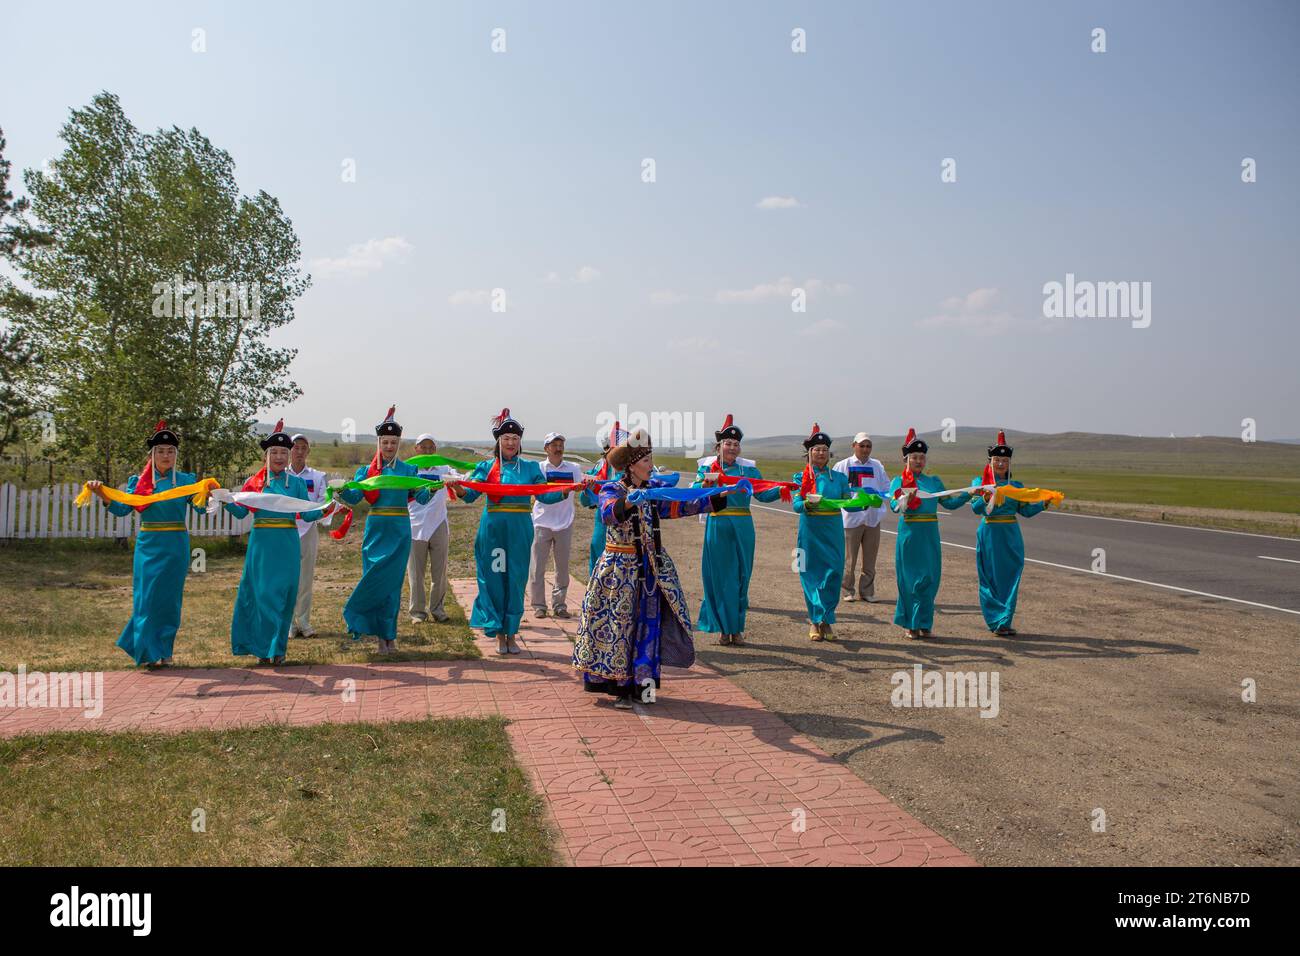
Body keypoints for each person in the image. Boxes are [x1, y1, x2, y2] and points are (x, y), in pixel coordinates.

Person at [573, 428, 736, 709]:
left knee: (648, 627)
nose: (651, 465)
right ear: (632, 464)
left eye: (650, 459)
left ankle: (644, 686)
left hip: (651, 571)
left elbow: (678, 506)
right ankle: (621, 688)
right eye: (646, 460)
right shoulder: (613, 488)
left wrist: (715, 498)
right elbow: (608, 513)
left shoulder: (652, 491)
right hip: (619, 573)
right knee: (621, 627)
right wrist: (627, 502)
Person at [445, 409, 573, 656]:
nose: (511, 442)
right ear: (498, 441)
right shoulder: (486, 467)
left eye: (515, 439)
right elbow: (471, 495)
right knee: (495, 578)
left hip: (519, 532)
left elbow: (545, 494)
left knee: (515, 580)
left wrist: (567, 490)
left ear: (520, 442)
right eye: (506, 438)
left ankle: (512, 634)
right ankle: (499, 634)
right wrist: (458, 487)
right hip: (493, 532)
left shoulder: (530, 468)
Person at [87, 420, 207, 668]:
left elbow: (200, 509)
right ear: (152, 454)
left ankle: (165, 650)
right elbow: (121, 510)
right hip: (148, 544)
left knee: (169, 599)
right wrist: (103, 495)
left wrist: (207, 492)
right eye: (161, 451)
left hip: (176, 545)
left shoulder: (186, 480)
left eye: (170, 451)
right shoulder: (139, 483)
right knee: (147, 598)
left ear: (176, 455)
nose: (166, 455)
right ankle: (147, 650)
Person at [224, 420, 325, 665]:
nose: (279, 457)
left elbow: (308, 514)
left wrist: (329, 506)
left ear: (289, 455)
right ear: (266, 456)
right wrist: (223, 499)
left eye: (283, 452)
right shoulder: (255, 484)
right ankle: (262, 648)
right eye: (274, 452)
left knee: (284, 594)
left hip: (287, 543)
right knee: (262, 594)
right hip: (261, 544)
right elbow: (240, 513)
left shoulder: (298, 484)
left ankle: (278, 648)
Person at [338, 406, 432, 654]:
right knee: (374, 579)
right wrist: (341, 490)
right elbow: (355, 496)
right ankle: (366, 622)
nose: (389, 446)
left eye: (393, 442)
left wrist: (430, 489)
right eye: (385, 442)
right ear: (379, 442)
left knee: (392, 585)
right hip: (376, 529)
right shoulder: (366, 472)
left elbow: (420, 497)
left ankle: (388, 636)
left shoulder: (409, 470)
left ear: (399, 443)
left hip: (400, 529)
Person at [692, 413, 782, 646]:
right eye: (727, 444)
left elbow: (763, 493)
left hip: (743, 526)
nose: (732, 447)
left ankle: (737, 627)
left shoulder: (749, 472)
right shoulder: (708, 469)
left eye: (735, 444)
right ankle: (724, 628)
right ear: (719, 447)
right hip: (718, 524)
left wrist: (782, 489)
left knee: (742, 575)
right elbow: (694, 493)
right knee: (722, 577)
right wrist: (704, 485)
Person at [887, 428, 972, 640]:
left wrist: (968, 494)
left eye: (922, 457)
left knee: (929, 579)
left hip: (930, 535)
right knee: (910, 581)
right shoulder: (898, 481)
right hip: (909, 535)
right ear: (906, 459)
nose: (918, 461)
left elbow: (949, 503)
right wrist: (905, 499)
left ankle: (924, 623)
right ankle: (910, 624)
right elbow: (895, 506)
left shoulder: (934, 481)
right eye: (914, 457)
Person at [969, 431, 1050, 636]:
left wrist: (1043, 503)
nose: (1001, 464)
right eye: (997, 460)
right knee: (990, 577)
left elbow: (1026, 511)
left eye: (1004, 460)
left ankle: (1005, 620)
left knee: (1010, 576)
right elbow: (976, 509)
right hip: (989, 533)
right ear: (990, 462)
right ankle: (994, 619)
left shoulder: (1016, 486)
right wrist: (985, 497)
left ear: (1009, 462)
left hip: (1011, 535)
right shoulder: (980, 482)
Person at [791, 423, 856, 641]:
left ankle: (827, 618)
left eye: (824, 450)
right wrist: (807, 505)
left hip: (832, 531)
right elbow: (796, 504)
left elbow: (848, 503)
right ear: (808, 453)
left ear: (829, 453)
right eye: (816, 449)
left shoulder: (838, 478)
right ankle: (815, 621)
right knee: (810, 575)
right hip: (809, 532)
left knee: (833, 575)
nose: (820, 453)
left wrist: (863, 503)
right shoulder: (801, 478)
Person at [529, 432, 585, 619]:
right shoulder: (538, 468)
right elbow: (536, 493)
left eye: (561, 444)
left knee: (562, 568)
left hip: (564, 523)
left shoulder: (574, 468)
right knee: (537, 567)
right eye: (554, 445)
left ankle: (559, 604)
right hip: (541, 523)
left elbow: (584, 483)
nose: (558, 448)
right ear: (546, 448)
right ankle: (539, 605)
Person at [833, 432, 890, 603]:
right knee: (849, 558)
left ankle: (867, 591)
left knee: (870, 559)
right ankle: (847, 590)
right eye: (862, 445)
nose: (865, 449)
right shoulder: (843, 465)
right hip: (851, 519)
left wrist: (880, 497)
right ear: (854, 446)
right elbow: (837, 490)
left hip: (872, 518)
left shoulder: (877, 466)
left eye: (868, 446)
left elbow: (886, 487)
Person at [287, 433, 331, 638]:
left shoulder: (316, 476)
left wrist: (329, 507)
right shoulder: (280, 475)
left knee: (305, 579)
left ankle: (303, 622)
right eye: (295, 447)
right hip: (284, 530)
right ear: (289, 450)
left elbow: (323, 501)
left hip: (308, 529)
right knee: (286, 579)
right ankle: (288, 624)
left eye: (303, 448)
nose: (299, 451)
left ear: (308, 451)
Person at [407, 433, 451, 624]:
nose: (426, 450)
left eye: (430, 447)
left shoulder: (443, 468)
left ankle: (438, 609)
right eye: (422, 447)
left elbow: (460, 478)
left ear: (435, 450)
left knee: (439, 571)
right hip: (415, 524)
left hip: (438, 523)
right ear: (416, 449)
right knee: (416, 572)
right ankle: (417, 612)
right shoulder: (409, 470)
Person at [579, 421, 622, 578]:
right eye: (609, 450)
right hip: (602, 518)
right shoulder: (599, 468)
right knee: (598, 552)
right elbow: (583, 501)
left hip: (624, 518)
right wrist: (587, 489)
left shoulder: (632, 467)